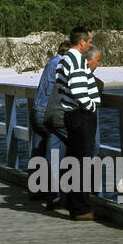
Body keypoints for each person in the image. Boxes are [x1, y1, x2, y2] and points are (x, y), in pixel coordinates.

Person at [55, 27, 100, 220]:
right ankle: (81, 209)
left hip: (71, 114)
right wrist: (90, 106)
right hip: (80, 115)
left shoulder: (64, 59)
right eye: (89, 41)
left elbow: (60, 84)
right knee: (82, 162)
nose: (90, 44)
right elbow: (78, 88)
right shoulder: (76, 60)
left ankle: (73, 202)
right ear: (81, 42)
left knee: (74, 160)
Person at [29, 43, 69, 205]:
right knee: (55, 150)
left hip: (36, 110)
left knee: (38, 149)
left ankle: (36, 189)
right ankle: (56, 192)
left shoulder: (51, 62)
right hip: (46, 113)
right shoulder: (59, 65)